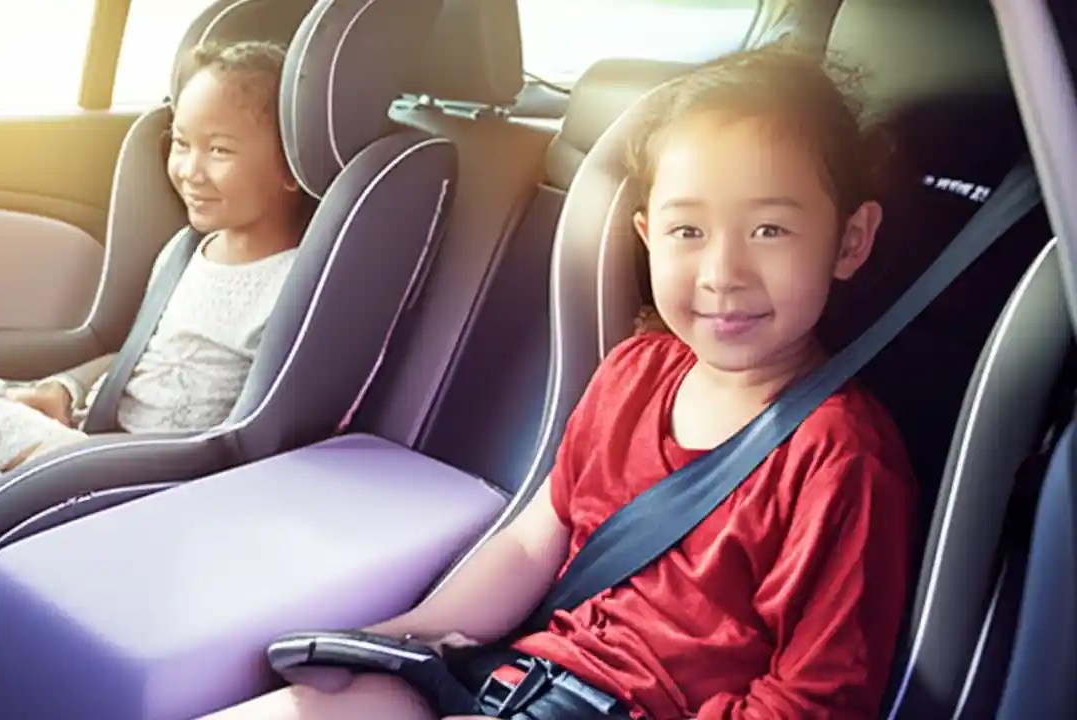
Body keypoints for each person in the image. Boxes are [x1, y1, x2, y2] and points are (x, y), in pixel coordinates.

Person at [215, 45, 916, 720]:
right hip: (517, 677)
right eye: (688, 231)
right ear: (647, 235)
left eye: (768, 229)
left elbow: (812, 701)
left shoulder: (841, 457)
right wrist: (411, 636)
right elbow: (532, 542)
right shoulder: (632, 374)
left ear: (849, 241)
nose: (721, 272)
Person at [0, 40, 309, 617]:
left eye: (219, 150)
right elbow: (137, 355)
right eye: (182, 143)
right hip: (95, 431)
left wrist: (101, 441)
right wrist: (64, 387)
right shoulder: (192, 247)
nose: (189, 170)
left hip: (142, 474)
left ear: (292, 168)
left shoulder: (293, 285)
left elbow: (252, 438)